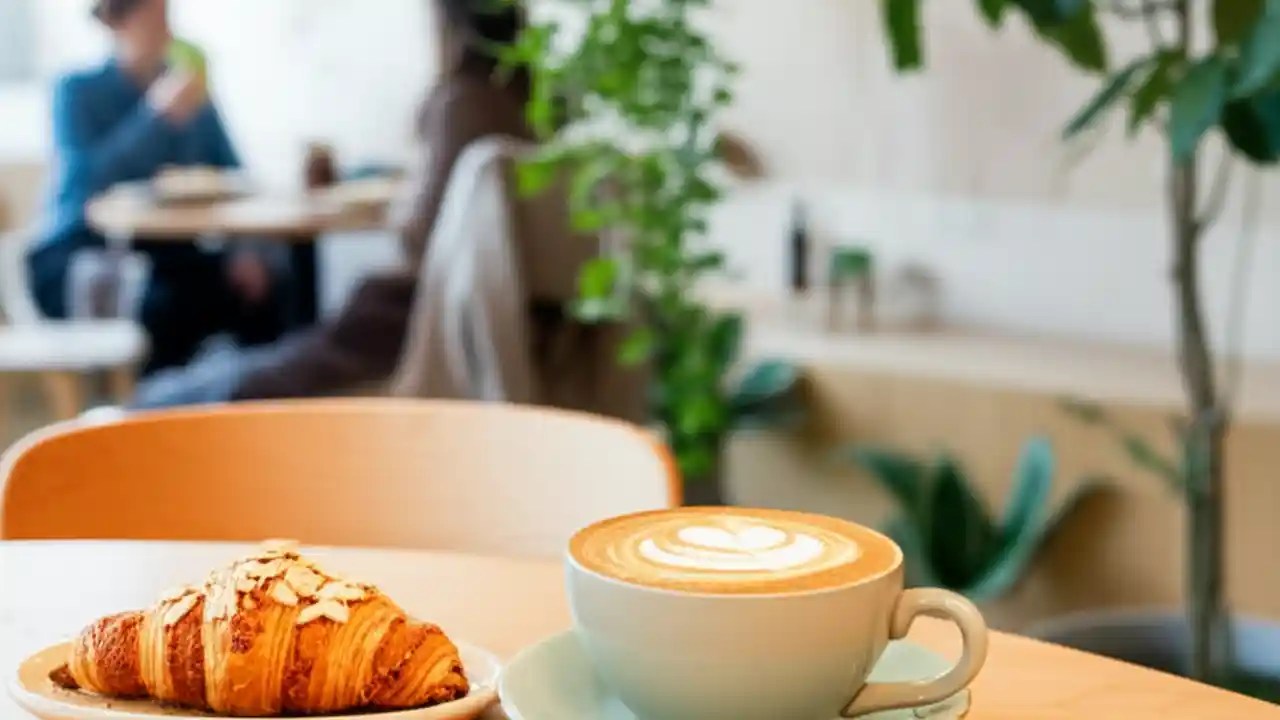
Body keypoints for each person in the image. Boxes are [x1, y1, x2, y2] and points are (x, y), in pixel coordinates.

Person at [133, 0, 533, 406]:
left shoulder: (463, 103)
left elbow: (426, 235)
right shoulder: (531, 109)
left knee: (177, 391)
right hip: (439, 324)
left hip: (409, 330)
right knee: (247, 342)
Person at [27, 0, 287, 375]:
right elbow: (85, 184)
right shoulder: (77, 90)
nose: (164, 26)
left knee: (269, 280)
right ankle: (156, 404)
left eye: (166, 13)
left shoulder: (190, 91)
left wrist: (243, 247)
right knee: (161, 303)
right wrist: (156, 116)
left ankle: (262, 396)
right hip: (82, 253)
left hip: (165, 249)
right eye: (151, 15)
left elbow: (234, 176)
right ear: (116, 21)